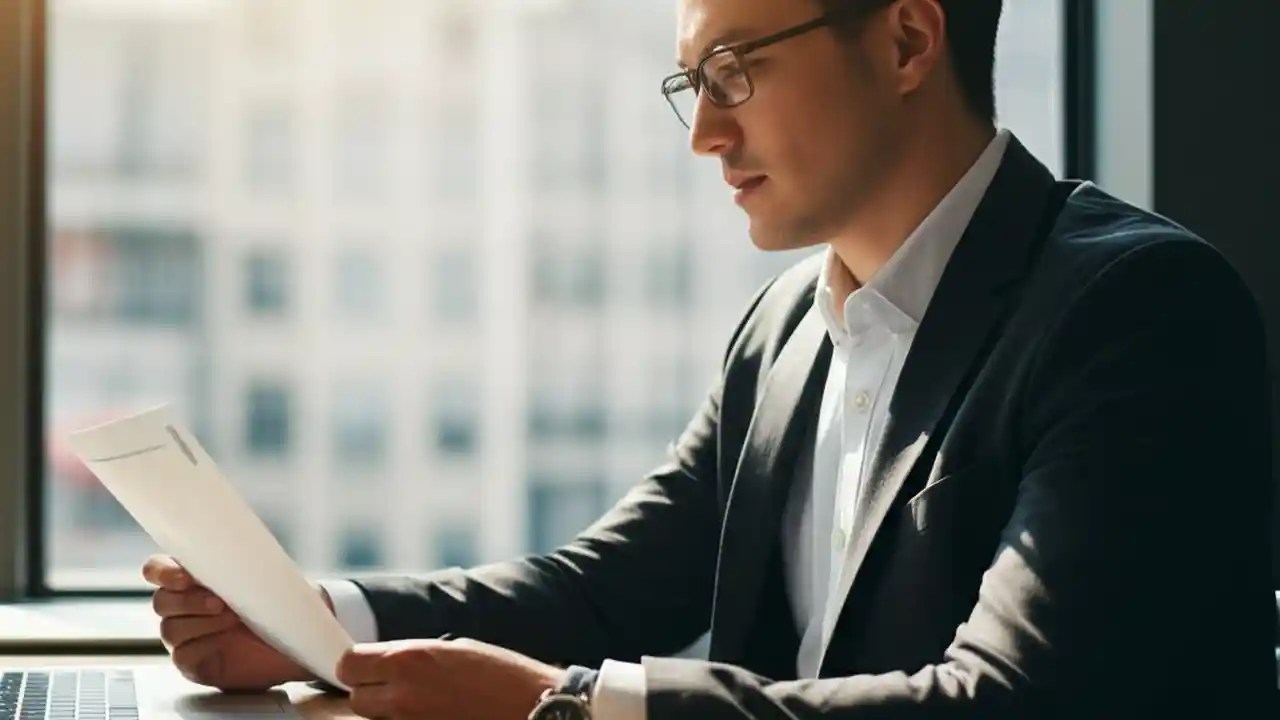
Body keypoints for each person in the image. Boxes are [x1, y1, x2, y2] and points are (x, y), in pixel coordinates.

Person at [142, 0, 1278, 717]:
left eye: (732, 70)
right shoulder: (781, 330)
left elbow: (1008, 702)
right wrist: (311, 625)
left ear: (904, 41)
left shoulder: (1133, 311)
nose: (702, 133)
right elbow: (607, 590)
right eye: (691, 84)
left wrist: (571, 710)